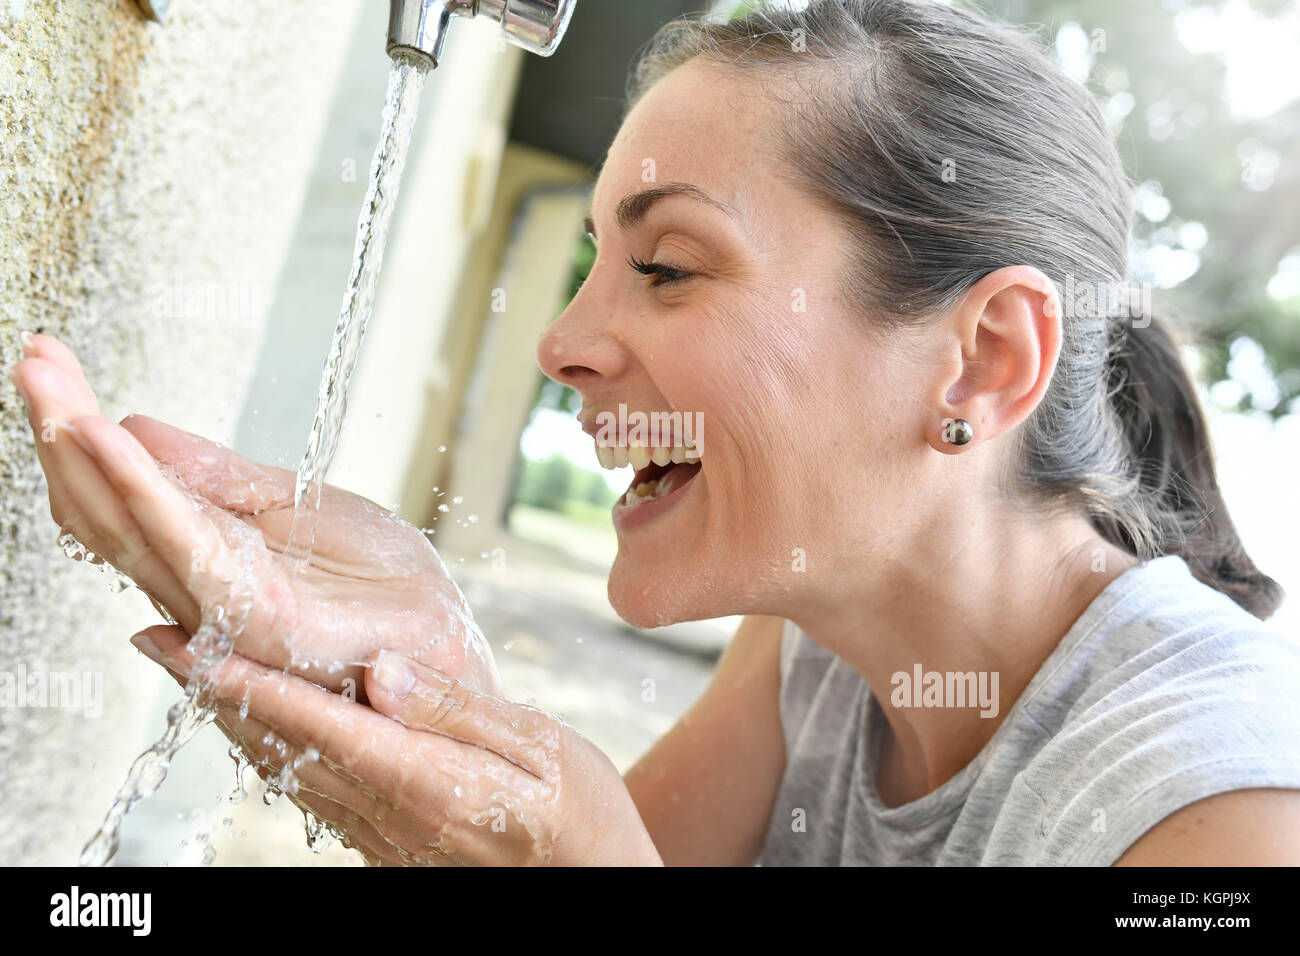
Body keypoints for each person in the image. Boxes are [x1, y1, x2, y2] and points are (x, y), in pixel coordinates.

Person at [11, 0, 1300, 866]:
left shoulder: (1219, 812)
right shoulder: (811, 647)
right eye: (592, 263)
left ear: (987, 357)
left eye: (670, 267)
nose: (562, 341)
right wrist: (430, 685)